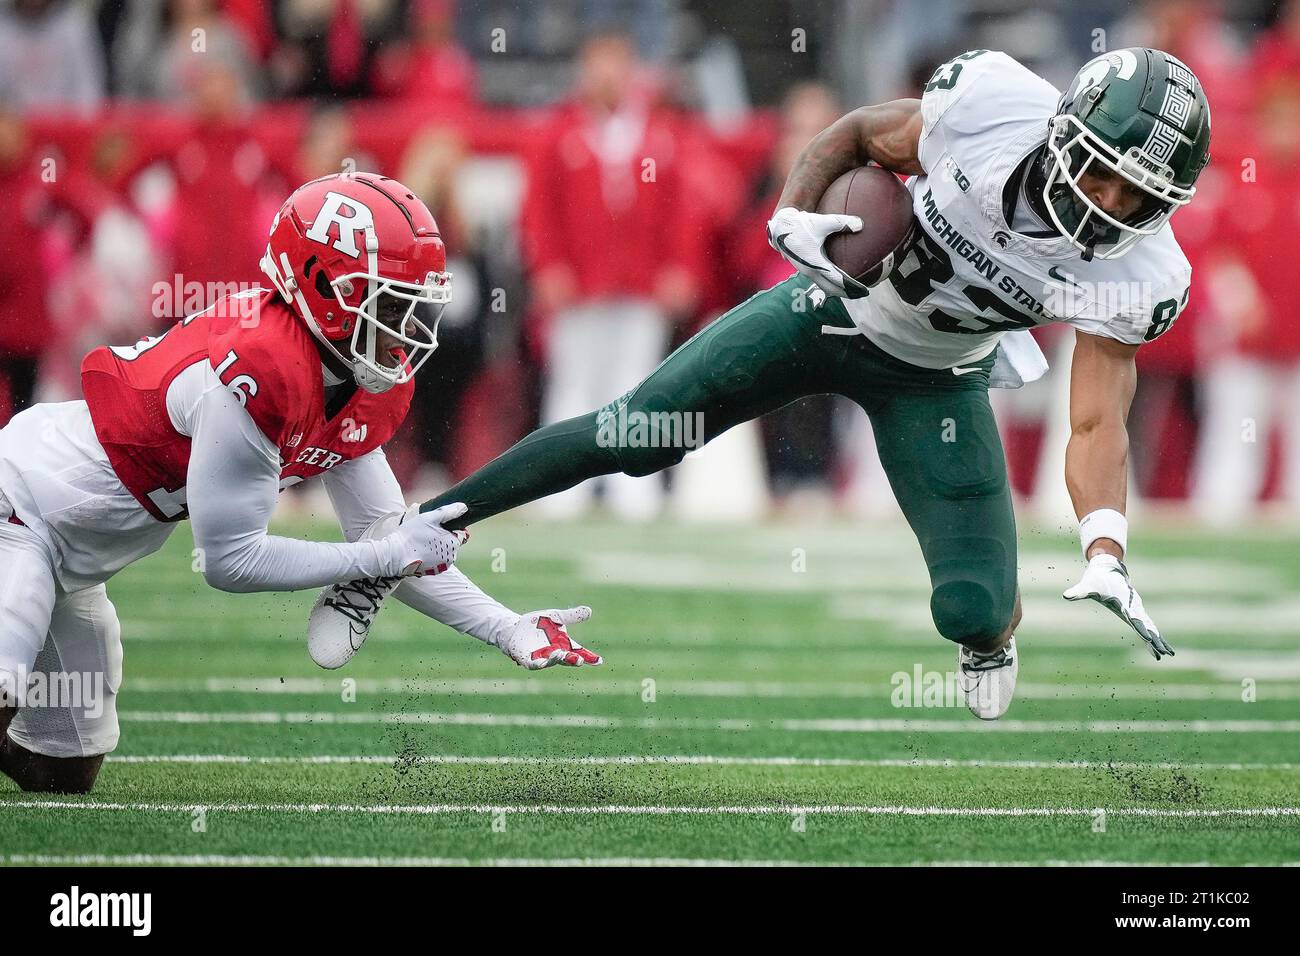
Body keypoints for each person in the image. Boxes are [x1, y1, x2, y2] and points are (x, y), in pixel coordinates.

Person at [315, 49, 1210, 721]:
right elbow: (857, 135)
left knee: (971, 611)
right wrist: (796, 214)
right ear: (1064, 128)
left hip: (936, 380)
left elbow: (1096, 424)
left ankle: (993, 633)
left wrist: (1103, 546)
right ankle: (411, 536)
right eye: (1097, 169)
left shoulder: (1140, 273)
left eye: (1134, 195)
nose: (1105, 204)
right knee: (628, 435)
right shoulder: (992, 107)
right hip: (828, 307)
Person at [0, 172, 600, 795]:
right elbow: (229, 559)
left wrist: (504, 626)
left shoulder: (346, 374)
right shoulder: (264, 364)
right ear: (319, 285)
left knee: (61, 770)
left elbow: (391, 539)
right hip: (23, 504)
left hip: (77, 554)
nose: (404, 329)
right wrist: (382, 555)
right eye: (388, 303)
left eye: (413, 305)